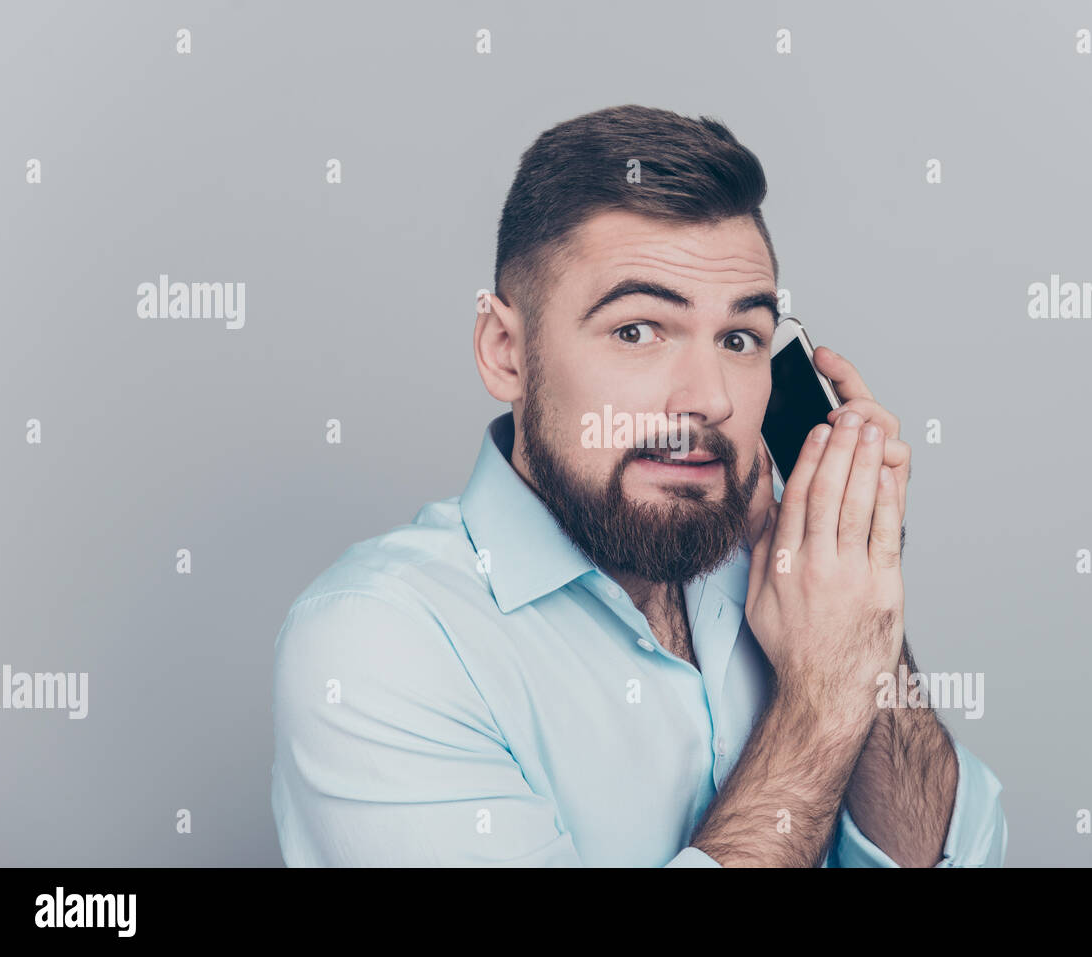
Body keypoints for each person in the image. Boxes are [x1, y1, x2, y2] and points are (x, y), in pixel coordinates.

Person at [271, 104, 1006, 867]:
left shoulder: (792, 578)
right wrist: (818, 711)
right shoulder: (378, 643)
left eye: (740, 339)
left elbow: (947, 856)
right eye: (638, 330)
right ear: (505, 352)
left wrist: (862, 605)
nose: (711, 397)